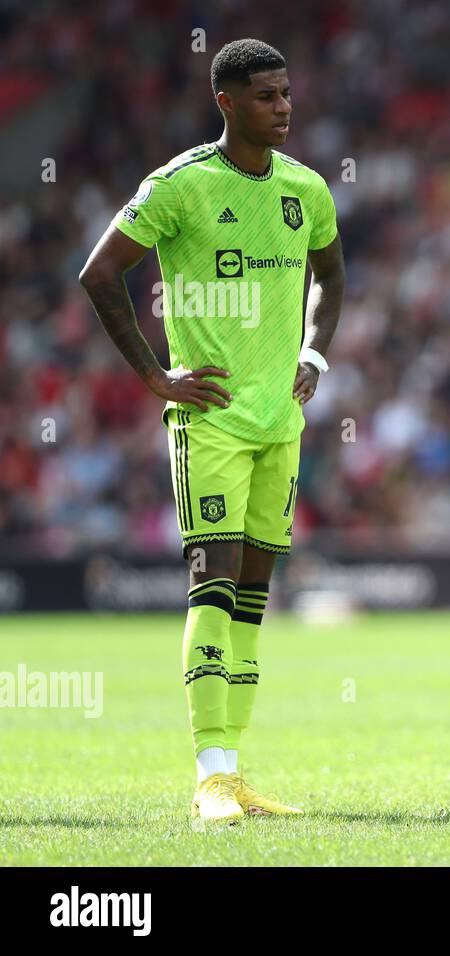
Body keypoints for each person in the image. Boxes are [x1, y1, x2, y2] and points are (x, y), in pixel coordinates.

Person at [78, 38, 345, 822]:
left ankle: (234, 771)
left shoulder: (305, 187)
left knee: (254, 600)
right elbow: (99, 272)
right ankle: (210, 778)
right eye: (266, 95)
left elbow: (332, 276)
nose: (283, 107)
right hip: (212, 423)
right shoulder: (181, 184)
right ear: (226, 101)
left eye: (286, 92)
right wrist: (156, 376)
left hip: (280, 422)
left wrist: (314, 353)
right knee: (214, 585)